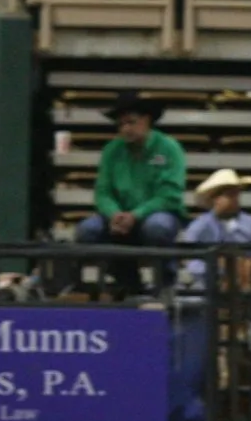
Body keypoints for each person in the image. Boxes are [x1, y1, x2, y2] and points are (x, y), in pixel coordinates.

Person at [73, 93, 186, 296]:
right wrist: (114, 213)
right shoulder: (111, 150)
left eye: (131, 122)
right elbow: (103, 192)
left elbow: (168, 195)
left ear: (146, 121)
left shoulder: (169, 148)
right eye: (121, 124)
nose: (126, 128)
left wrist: (136, 214)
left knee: (157, 226)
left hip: (158, 214)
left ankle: (167, 284)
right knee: (87, 230)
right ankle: (125, 282)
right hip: (120, 215)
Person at [180, 169, 251, 289]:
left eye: (236, 195)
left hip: (247, 286)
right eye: (229, 195)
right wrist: (218, 270)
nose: (234, 199)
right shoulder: (199, 226)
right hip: (207, 287)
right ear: (215, 198)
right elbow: (190, 259)